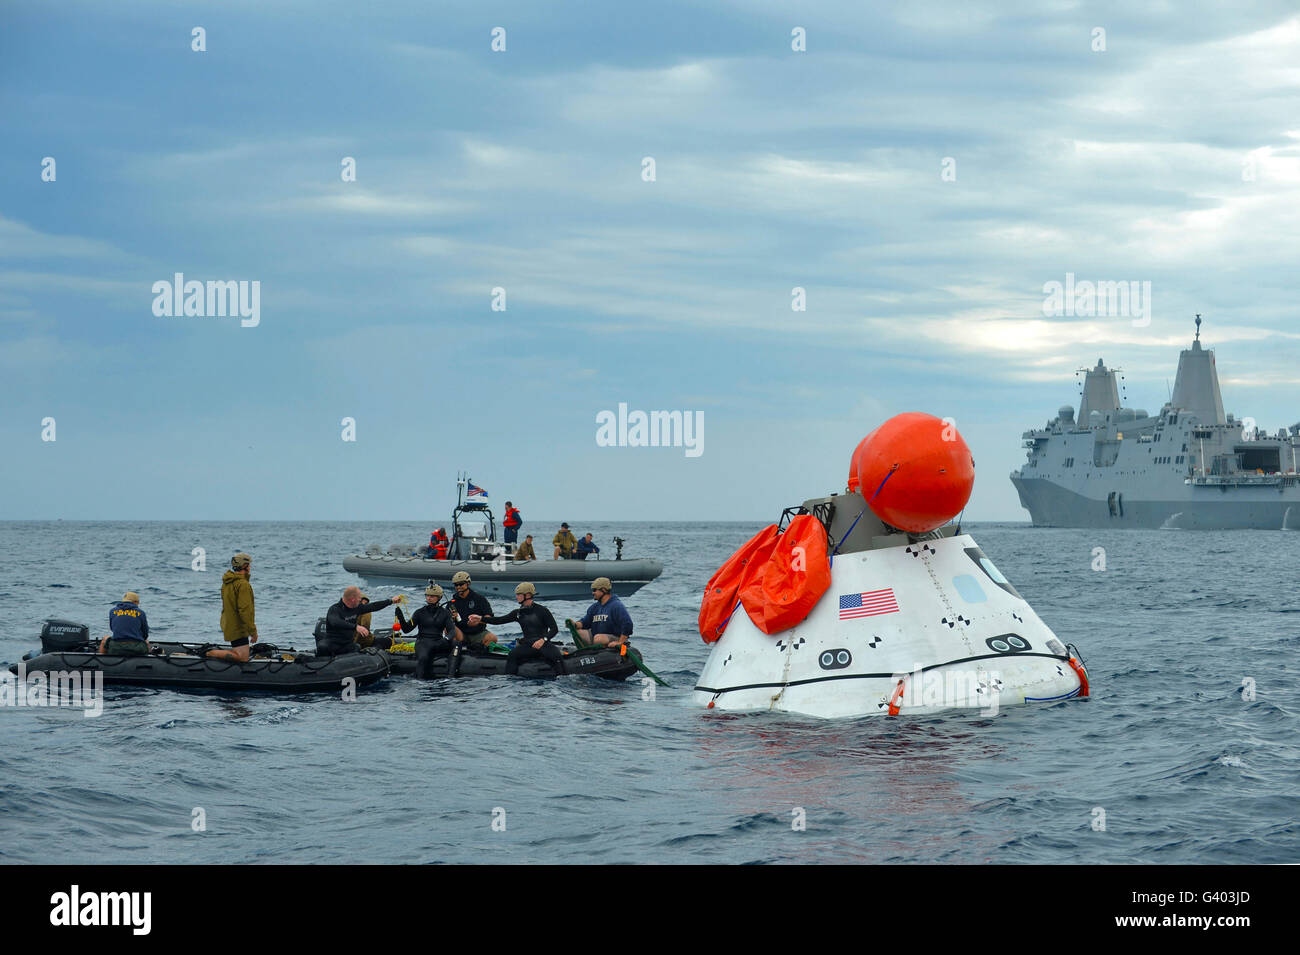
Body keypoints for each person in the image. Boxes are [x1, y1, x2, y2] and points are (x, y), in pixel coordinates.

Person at [484, 582, 563, 676]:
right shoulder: (518, 613)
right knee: (512, 654)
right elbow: (499, 620)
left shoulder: (542, 611)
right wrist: (481, 619)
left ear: (528, 595)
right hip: (529, 646)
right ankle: (511, 681)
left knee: (558, 658)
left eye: (518, 594)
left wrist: (543, 640)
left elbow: (554, 629)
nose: (516, 597)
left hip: (544, 645)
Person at [395, 584, 459, 678]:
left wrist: (445, 639)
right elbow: (406, 630)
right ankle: (419, 680)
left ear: (439, 597)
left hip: (438, 641)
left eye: (432, 596)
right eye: (427, 596)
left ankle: (451, 675)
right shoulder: (419, 612)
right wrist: (401, 618)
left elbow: (452, 631)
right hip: (423, 642)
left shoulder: (445, 613)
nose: (429, 598)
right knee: (423, 657)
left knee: (457, 644)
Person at [318, 586, 403, 655]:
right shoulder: (335, 609)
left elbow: (373, 606)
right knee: (322, 646)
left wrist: (390, 601)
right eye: (359, 598)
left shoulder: (357, 608)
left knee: (357, 647)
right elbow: (335, 622)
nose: (360, 600)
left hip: (346, 644)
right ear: (352, 599)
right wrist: (356, 627)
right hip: (332, 643)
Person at [208, 552, 258, 661]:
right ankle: (210, 653)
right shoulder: (243, 584)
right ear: (245, 566)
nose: (250, 567)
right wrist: (253, 631)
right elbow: (245, 610)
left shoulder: (227, 582)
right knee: (242, 657)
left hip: (229, 623)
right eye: (249, 565)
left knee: (241, 653)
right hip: (238, 626)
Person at [573, 576, 634, 647]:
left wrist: (620, 642)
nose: (593, 593)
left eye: (595, 590)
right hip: (597, 638)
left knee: (599, 638)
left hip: (614, 638)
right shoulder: (594, 607)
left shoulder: (616, 606)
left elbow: (628, 624)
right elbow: (585, 622)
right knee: (578, 632)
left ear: (604, 590)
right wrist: (574, 624)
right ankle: (585, 654)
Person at [450, 570, 497, 650]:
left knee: (493, 638)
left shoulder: (480, 599)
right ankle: (453, 650)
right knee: (448, 626)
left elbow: (489, 617)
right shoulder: (451, 603)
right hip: (460, 634)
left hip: (478, 633)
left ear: (468, 583)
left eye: (461, 584)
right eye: (456, 585)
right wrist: (451, 619)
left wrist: (479, 621)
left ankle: (480, 653)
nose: (458, 587)